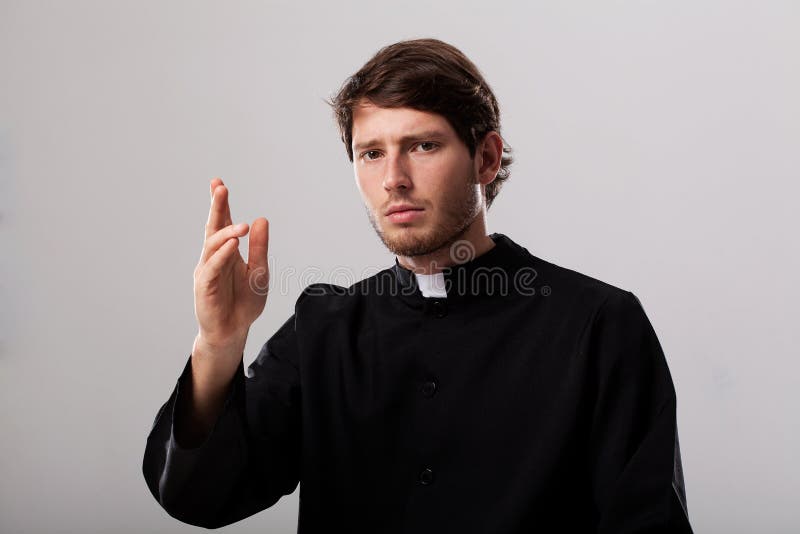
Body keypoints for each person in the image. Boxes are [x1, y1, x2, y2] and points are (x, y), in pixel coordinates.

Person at [142, 38, 693, 533]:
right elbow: (201, 498)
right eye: (371, 153)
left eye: (423, 146)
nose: (393, 180)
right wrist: (219, 343)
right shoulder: (323, 328)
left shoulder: (598, 325)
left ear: (486, 158)